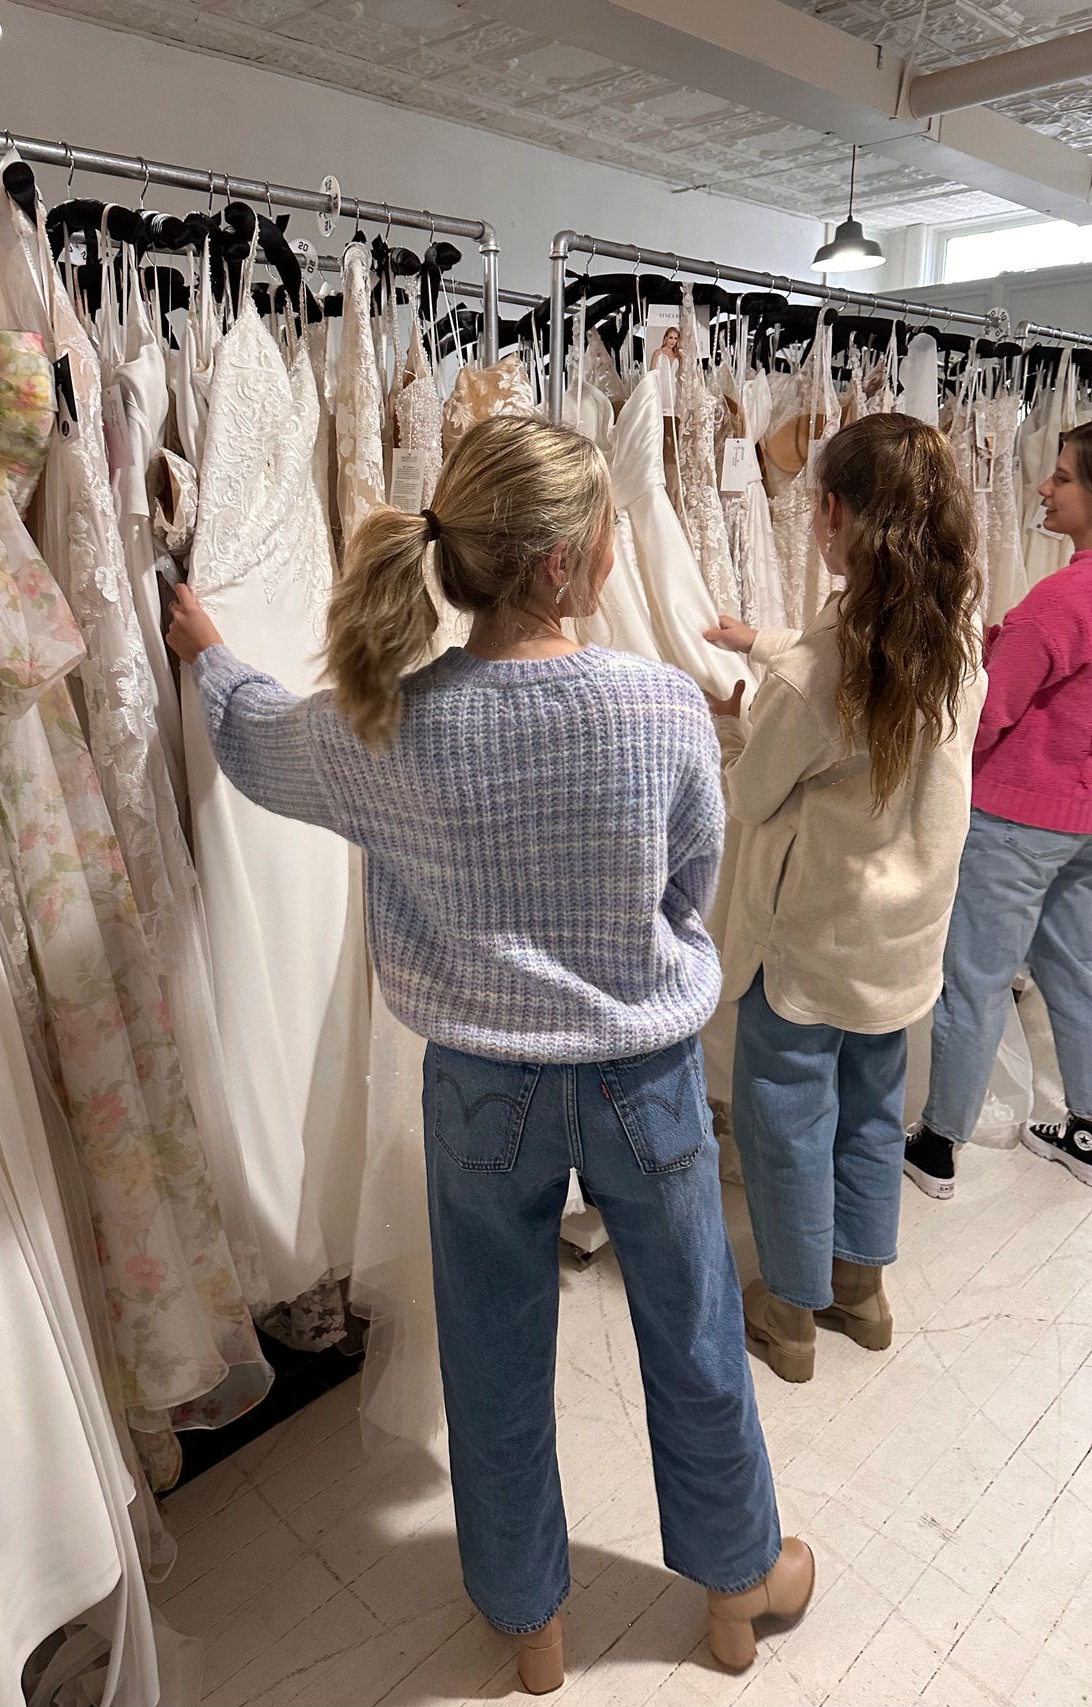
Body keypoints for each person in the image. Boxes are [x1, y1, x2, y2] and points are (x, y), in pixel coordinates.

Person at [168, 417, 812, 1691]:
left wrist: (209, 658)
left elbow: (259, 745)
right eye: (608, 534)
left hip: (478, 1087)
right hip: (641, 1078)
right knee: (690, 1329)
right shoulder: (659, 706)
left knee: (492, 1351)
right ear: (564, 564)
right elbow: (688, 880)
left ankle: (529, 1625)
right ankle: (735, 1588)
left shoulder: (386, 725)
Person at [703, 413, 985, 1384]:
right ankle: (860, 1292)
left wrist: (739, 711)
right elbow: (859, 667)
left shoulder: (811, 674)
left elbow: (753, 792)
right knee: (871, 1106)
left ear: (829, 513)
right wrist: (767, 644)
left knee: (785, 1116)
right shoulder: (957, 642)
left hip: (809, 945)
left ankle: (787, 1312)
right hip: (901, 939)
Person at [905, 424, 1092, 1198]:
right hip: (1081, 816)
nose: (1044, 488)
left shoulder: (1062, 600)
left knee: (975, 979)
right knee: (1076, 971)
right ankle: (1087, 1129)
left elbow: (988, 713)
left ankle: (938, 1143)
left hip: (1019, 816)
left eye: (1063, 478)